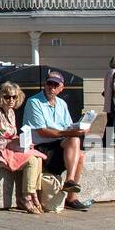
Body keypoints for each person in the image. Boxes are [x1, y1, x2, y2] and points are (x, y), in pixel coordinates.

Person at [21, 72, 93, 210]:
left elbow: (68, 127)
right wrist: (70, 132)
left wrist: (81, 128)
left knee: (79, 149)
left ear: (61, 88)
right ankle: (70, 185)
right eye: (49, 83)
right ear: (44, 84)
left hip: (58, 142)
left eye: (56, 84)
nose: (52, 87)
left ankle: (71, 192)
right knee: (74, 141)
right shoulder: (34, 102)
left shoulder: (62, 103)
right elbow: (42, 131)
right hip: (41, 145)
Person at [0, 82, 47, 214]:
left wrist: (21, 141)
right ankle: (27, 197)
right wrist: (8, 143)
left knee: (38, 158)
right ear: (1, 97)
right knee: (31, 161)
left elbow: (12, 134)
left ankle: (32, 193)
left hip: (10, 148)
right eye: (7, 97)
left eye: (14, 97)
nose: (11, 100)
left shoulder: (11, 113)